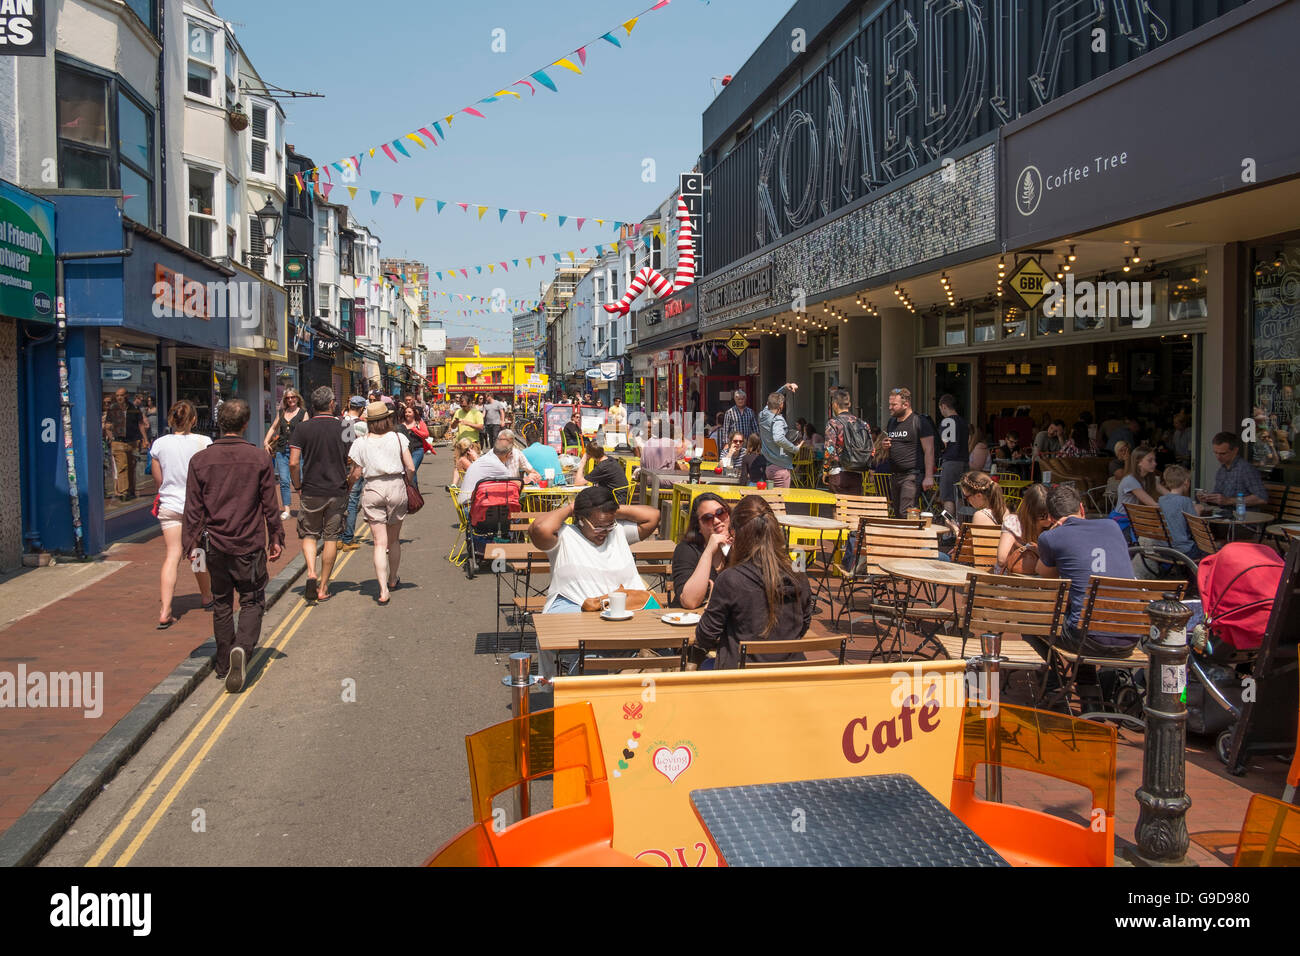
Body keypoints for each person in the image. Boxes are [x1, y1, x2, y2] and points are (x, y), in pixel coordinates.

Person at [182, 399, 284, 693]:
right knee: (252, 600)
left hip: (213, 545)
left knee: (222, 602)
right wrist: (276, 536)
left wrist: (191, 544)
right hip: (249, 544)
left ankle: (225, 662)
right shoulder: (259, 458)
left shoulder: (200, 461)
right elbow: (269, 504)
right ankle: (243, 648)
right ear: (245, 424)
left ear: (220, 423)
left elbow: (193, 510)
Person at [528, 485, 662, 679]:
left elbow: (653, 516)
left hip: (622, 609)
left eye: (609, 524)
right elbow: (539, 528)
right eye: (598, 526)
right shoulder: (564, 536)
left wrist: (610, 509)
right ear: (581, 519)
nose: (604, 531)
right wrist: (574, 506)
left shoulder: (618, 532)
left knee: (656, 640)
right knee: (592, 646)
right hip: (574, 605)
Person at [695, 495, 814, 669]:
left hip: (742, 680)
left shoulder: (731, 579)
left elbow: (705, 636)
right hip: (790, 674)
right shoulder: (798, 574)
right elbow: (803, 625)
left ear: (735, 534)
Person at [1033, 483, 1136, 660]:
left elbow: (1043, 572)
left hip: (1087, 639)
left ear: (1050, 517)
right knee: (1081, 617)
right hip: (1130, 637)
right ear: (1081, 508)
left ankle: (1052, 684)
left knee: (1028, 620)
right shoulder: (1113, 527)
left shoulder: (1050, 537)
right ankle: (1088, 682)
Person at [150, 400, 213, 628]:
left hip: (169, 505)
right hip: (195, 507)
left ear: (170, 418)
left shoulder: (159, 444)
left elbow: (159, 480)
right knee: (196, 552)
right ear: (194, 420)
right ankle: (207, 596)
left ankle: (165, 609)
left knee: (172, 555)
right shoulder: (204, 442)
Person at [346, 402, 415, 605]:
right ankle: (393, 578)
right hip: (395, 486)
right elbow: (410, 467)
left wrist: (349, 486)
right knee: (394, 541)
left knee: (379, 543)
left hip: (373, 488)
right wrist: (407, 483)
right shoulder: (398, 437)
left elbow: (356, 473)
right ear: (387, 419)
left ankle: (383, 590)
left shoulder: (360, 442)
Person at [289, 386, 349, 603]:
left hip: (311, 489)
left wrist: (297, 486)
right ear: (332, 404)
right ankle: (323, 587)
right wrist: (349, 483)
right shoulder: (345, 425)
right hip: (337, 489)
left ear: (313, 405)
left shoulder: (302, 428)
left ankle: (311, 572)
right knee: (331, 537)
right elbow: (354, 461)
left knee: (309, 534)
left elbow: (294, 462)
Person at [880, 386, 935, 516]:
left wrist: (928, 476)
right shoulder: (892, 422)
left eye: (894, 404)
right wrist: (885, 446)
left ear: (906, 404)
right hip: (895, 474)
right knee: (898, 513)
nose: (890, 407)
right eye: (890, 404)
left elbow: (929, 449)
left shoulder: (919, 421)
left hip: (912, 475)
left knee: (907, 511)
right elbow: (890, 446)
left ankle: (911, 536)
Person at [672, 493, 732, 610]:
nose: (716, 520)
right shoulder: (686, 550)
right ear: (698, 527)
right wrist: (709, 552)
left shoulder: (741, 545)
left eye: (720, 512)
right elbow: (689, 602)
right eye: (707, 518)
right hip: (689, 622)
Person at [457, 430, 536, 505]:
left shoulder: (488, 456)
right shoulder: (498, 465)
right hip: (473, 506)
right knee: (515, 512)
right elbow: (513, 484)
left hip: (468, 503)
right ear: (508, 454)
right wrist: (525, 480)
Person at [262, 388, 306, 521]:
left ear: (297, 398)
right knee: (284, 481)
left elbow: (306, 431)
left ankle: (304, 507)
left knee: (300, 480)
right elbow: (273, 427)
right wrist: (266, 441)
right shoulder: (281, 412)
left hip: (297, 451)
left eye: (293, 397)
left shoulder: (303, 413)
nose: (290, 400)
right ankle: (287, 509)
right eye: (287, 398)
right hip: (282, 450)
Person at [823, 387, 872, 495]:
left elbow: (829, 449)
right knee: (853, 508)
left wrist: (826, 469)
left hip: (838, 472)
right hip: (857, 473)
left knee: (838, 509)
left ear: (834, 404)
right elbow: (871, 449)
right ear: (849, 404)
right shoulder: (863, 424)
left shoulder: (833, 423)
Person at [995, 482, 1051, 575]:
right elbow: (1002, 560)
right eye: (1043, 515)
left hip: (1041, 580)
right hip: (1014, 579)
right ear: (1030, 512)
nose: (1049, 518)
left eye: (1051, 513)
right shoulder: (1013, 523)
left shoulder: (1057, 525)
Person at [1200, 431, 1268, 508]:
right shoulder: (1221, 470)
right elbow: (1220, 499)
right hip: (1225, 516)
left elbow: (1262, 498)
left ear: (1235, 450)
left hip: (1244, 516)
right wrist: (1208, 499)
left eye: (1223, 453)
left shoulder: (1245, 469)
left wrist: (1229, 501)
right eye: (1216, 453)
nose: (1218, 457)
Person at [106, 386, 149, 500]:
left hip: (133, 442)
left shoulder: (134, 408)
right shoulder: (112, 408)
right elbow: (107, 425)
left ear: (126, 396)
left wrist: (145, 439)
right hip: (118, 442)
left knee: (131, 467)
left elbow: (140, 424)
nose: (119, 397)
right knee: (122, 466)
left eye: (121, 395)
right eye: (117, 395)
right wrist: (112, 438)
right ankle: (123, 492)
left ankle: (131, 490)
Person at [339, 396, 369, 551]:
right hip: (355, 467)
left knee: (339, 503)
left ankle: (337, 537)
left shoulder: (339, 421)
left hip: (338, 466)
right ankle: (347, 539)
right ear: (362, 408)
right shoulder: (363, 425)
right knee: (352, 503)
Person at [758, 383, 801, 488]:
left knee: (772, 501)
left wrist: (785, 388)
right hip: (780, 467)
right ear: (781, 406)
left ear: (767, 404)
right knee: (780, 501)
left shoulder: (762, 414)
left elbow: (774, 399)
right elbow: (779, 438)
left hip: (768, 465)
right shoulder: (777, 419)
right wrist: (794, 449)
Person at [936, 395, 969, 519]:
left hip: (950, 462)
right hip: (964, 462)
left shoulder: (947, 421)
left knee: (948, 497)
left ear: (944, 406)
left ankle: (948, 532)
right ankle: (960, 530)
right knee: (960, 497)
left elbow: (943, 444)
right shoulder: (963, 422)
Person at [397, 404, 432, 490]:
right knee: (408, 470)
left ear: (414, 413)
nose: (407, 414)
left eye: (409, 412)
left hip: (417, 450)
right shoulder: (401, 424)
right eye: (405, 412)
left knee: (412, 469)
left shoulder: (419, 423)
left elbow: (426, 435)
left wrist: (415, 430)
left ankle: (413, 490)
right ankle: (412, 490)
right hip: (405, 451)